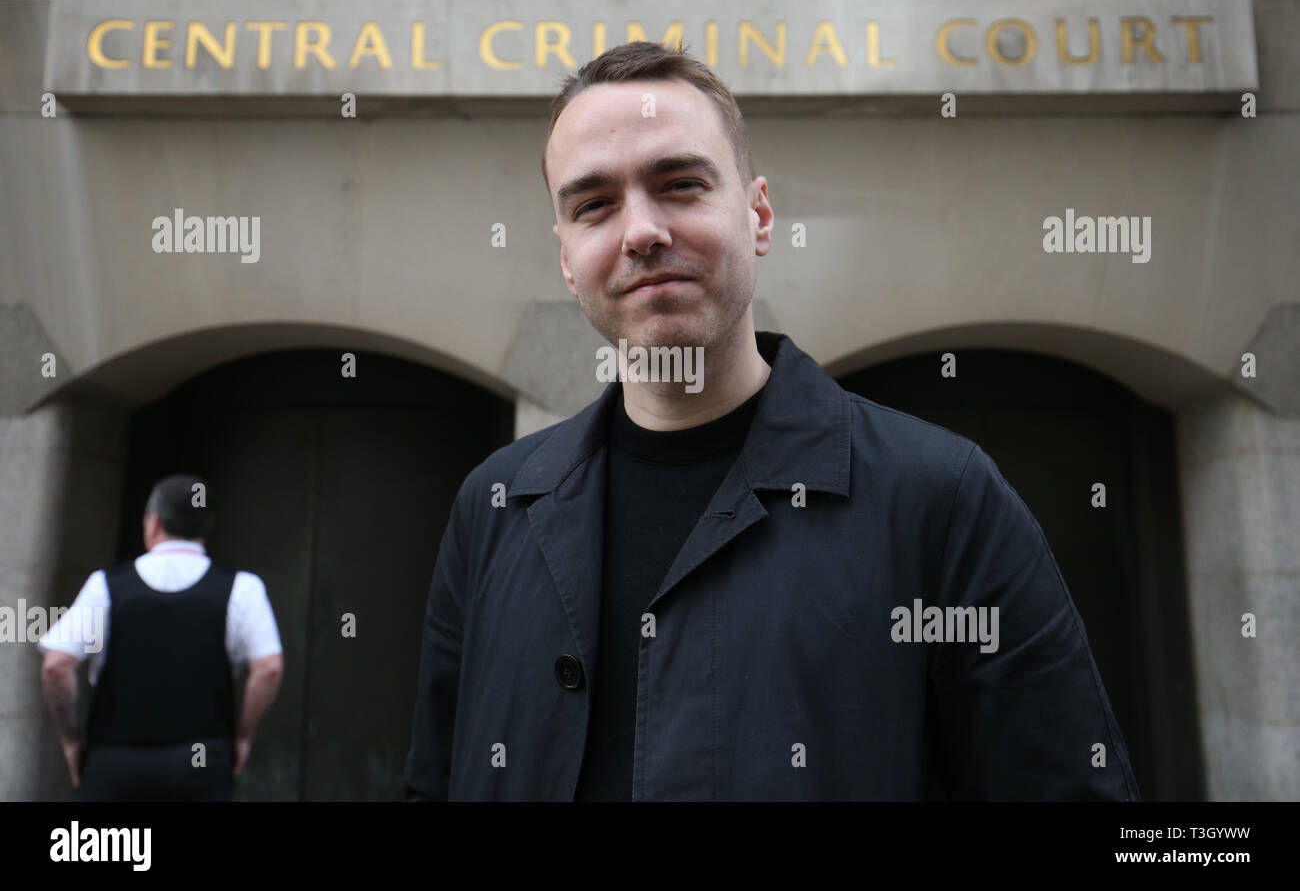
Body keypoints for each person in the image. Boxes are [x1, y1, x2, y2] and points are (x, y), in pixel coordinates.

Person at [402, 41, 1140, 801]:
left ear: (757, 215)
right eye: (594, 206)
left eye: (681, 184)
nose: (641, 231)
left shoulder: (942, 499)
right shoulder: (493, 506)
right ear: (567, 258)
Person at [39, 474, 284, 800]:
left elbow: (56, 666)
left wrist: (71, 739)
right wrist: (243, 735)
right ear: (205, 526)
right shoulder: (243, 588)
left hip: (114, 765)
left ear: (153, 522)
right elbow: (269, 668)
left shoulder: (106, 586)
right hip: (202, 765)